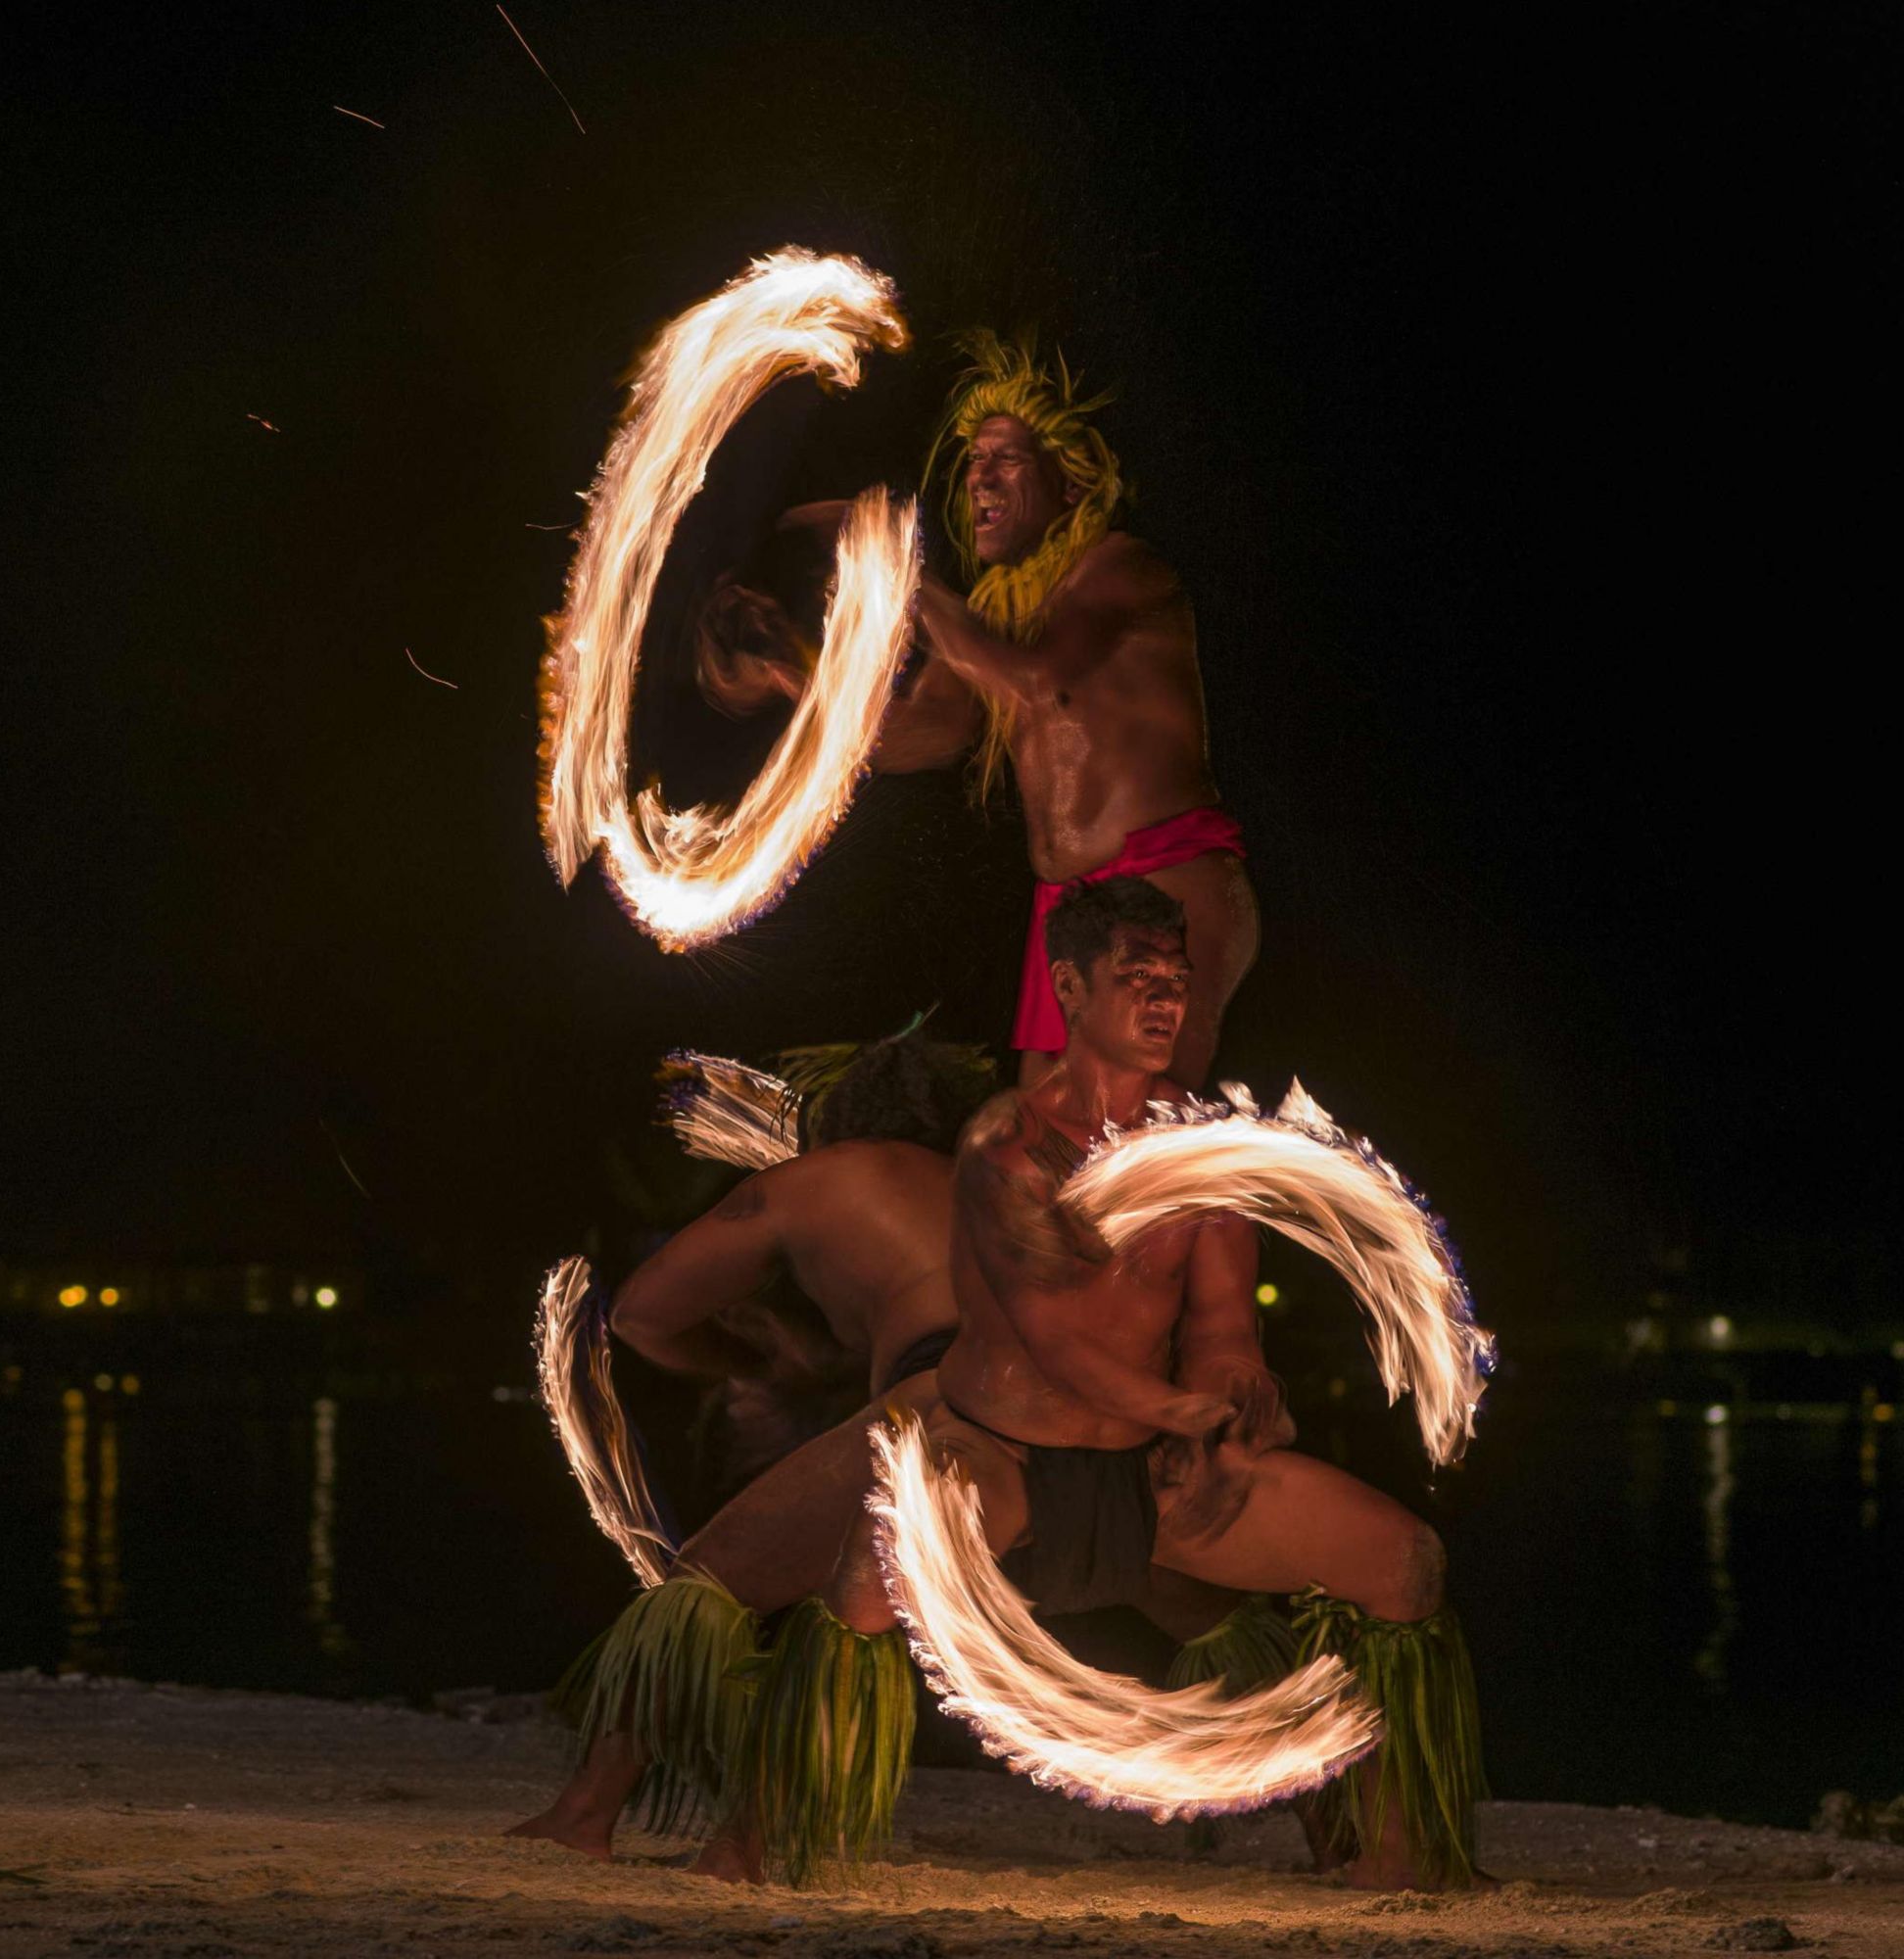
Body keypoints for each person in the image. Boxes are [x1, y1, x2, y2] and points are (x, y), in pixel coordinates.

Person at [878, 874, 1482, 1890]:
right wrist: (1181, 1409)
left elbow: (1222, 1326)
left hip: (1143, 1471)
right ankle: (746, 1836)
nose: (1166, 999)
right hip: (999, 1458)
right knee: (852, 1580)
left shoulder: (1205, 1153)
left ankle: (1395, 1851)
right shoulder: (1007, 1147)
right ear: (1069, 988)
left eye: (1176, 978)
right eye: (1136, 977)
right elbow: (1055, 1341)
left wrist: (1233, 1408)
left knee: (1402, 1561)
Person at [694, 334, 1256, 1088]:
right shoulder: (992, 620)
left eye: (1006, 458)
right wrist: (787, 675)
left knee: (1145, 1122)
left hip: (1168, 881)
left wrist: (898, 563)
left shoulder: (1119, 567)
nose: (979, 477)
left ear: (1069, 485)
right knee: (1040, 1133)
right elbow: (922, 735)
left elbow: (1035, 680)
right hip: (1067, 909)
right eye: (973, 461)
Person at [502, 1028, 983, 1883]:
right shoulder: (999, 1186)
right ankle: (745, 1842)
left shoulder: (818, 1178)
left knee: (703, 1587)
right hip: (1061, 1417)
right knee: (845, 1618)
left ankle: (584, 1817)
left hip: (943, 1396)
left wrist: (749, 1365)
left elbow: (642, 1315)